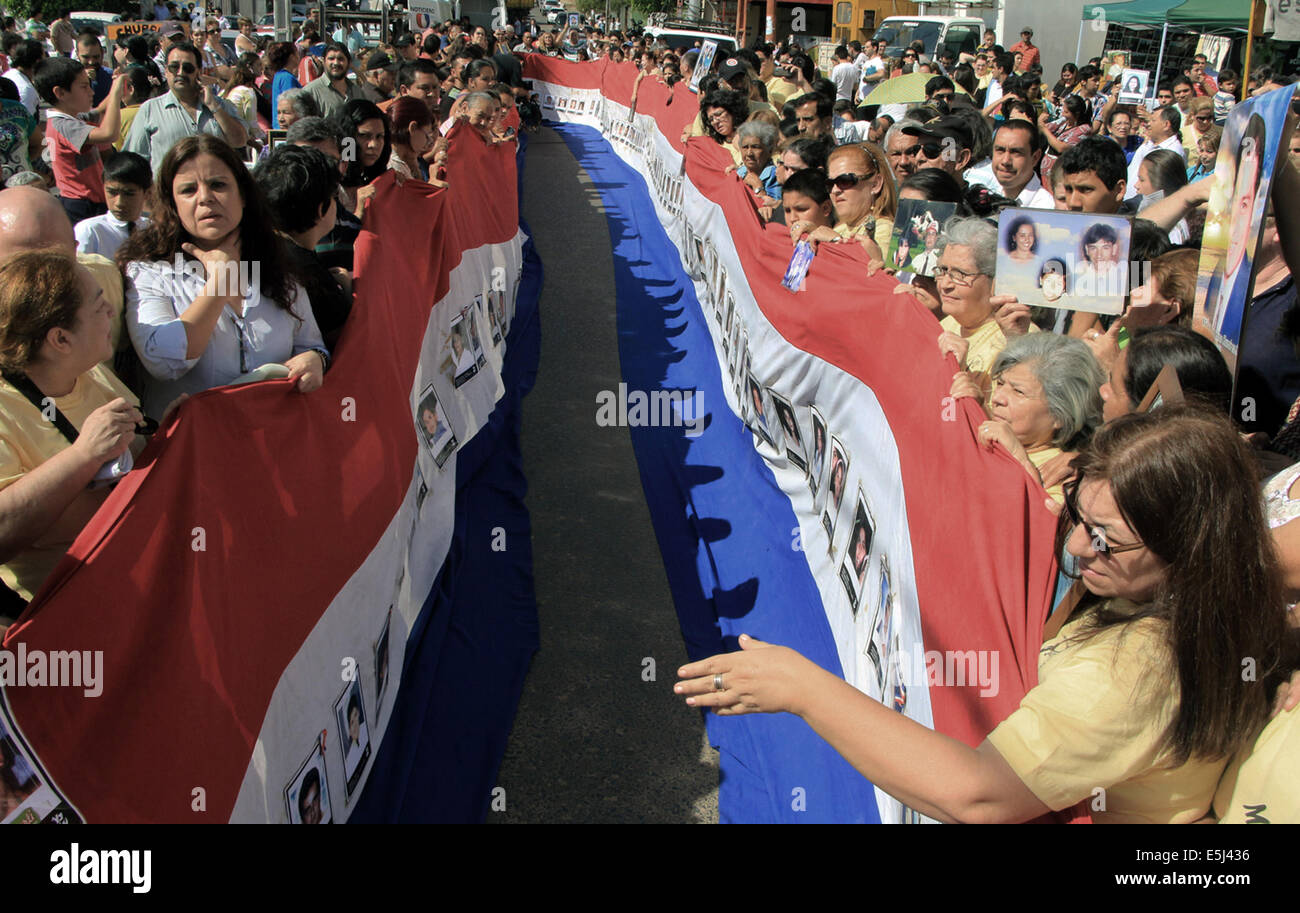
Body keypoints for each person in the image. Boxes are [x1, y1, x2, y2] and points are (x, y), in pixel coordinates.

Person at [677, 405, 1294, 823]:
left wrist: (803, 687)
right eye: (1077, 516)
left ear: (1189, 544)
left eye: (1106, 538)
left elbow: (978, 794)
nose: (1077, 547)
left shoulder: (1132, 671)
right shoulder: (1228, 600)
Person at [120, 135, 328, 418]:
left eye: (217, 184)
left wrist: (316, 360)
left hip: (272, 443)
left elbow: (310, 343)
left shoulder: (277, 266)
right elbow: (165, 363)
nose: (205, 197)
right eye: (189, 190)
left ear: (242, 195)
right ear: (173, 204)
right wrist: (220, 282)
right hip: (191, 452)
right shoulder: (149, 272)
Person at [0, 250, 148, 603]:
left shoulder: (90, 372)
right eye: (99, 307)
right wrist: (84, 454)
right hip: (62, 615)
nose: (112, 313)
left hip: (134, 584)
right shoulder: (5, 408)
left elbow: (139, 451)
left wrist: (175, 427)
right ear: (61, 340)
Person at [255, 144, 352, 350]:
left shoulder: (262, 251)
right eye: (334, 198)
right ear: (321, 209)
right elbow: (345, 343)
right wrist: (345, 291)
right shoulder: (305, 272)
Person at [122, 41, 248, 173]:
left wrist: (213, 106)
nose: (180, 73)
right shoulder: (150, 110)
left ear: (198, 72)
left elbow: (240, 141)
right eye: (174, 67)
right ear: (166, 71)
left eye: (188, 68)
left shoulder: (220, 105)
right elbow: (135, 161)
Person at [33, 55, 125, 225]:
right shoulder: (63, 125)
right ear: (60, 93)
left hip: (89, 200)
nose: (91, 92)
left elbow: (100, 110)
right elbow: (109, 134)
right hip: (81, 204)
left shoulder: (72, 118)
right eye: (84, 87)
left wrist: (116, 85)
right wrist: (117, 92)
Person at [74, 152, 151, 261]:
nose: (119, 202)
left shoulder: (153, 230)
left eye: (129, 193)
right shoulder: (90, 231)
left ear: (147, 194)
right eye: (112, 192)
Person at [336, 99, 390, 215]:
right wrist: (360, 209)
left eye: (379, 136)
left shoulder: (382, 176)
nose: (373, 145)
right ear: (348, 138)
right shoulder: (333, 184)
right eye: (364, 136)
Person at [303, 43, 366, 120]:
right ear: (323, 61)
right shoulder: (311, 92)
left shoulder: (357, 92)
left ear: (349, 63)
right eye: (331, 59)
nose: (336, 63)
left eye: (341, 59)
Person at [266, 41, 300, 129]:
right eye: (297, 53)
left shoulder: (279, 75)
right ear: (292, 57)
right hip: (286, 129)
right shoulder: (287, 78)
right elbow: (289, 104)